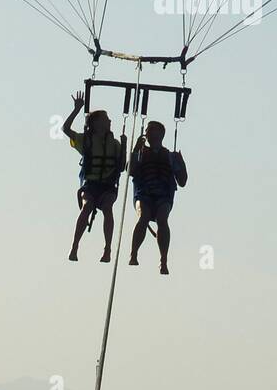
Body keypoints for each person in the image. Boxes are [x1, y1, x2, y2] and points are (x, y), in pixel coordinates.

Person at [63, 92, 126, 263]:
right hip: (90, 185)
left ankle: (107, 249)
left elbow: (121, 167)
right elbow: (66, 129)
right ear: (97, 123)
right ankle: (75, 245)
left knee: (107, 208)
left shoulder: (115, 144)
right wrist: (77, 109)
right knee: (87, 206)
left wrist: (126, 145)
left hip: (107, 186)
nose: (110, 122)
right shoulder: (86, 140)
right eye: (106, 119)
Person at [128, 121, 188, 275]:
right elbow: (130, 171)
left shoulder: (170, 156)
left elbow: (182, 182)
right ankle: (133, 254)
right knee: (144, 217)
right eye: (148, 131)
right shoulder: (141, 153)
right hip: (144, 193)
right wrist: (135, 150)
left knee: (162, 219)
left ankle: (163, 261)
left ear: (161, 134)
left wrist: (181, 163)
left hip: (163, 196)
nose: (149, 134)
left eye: (152, 130)